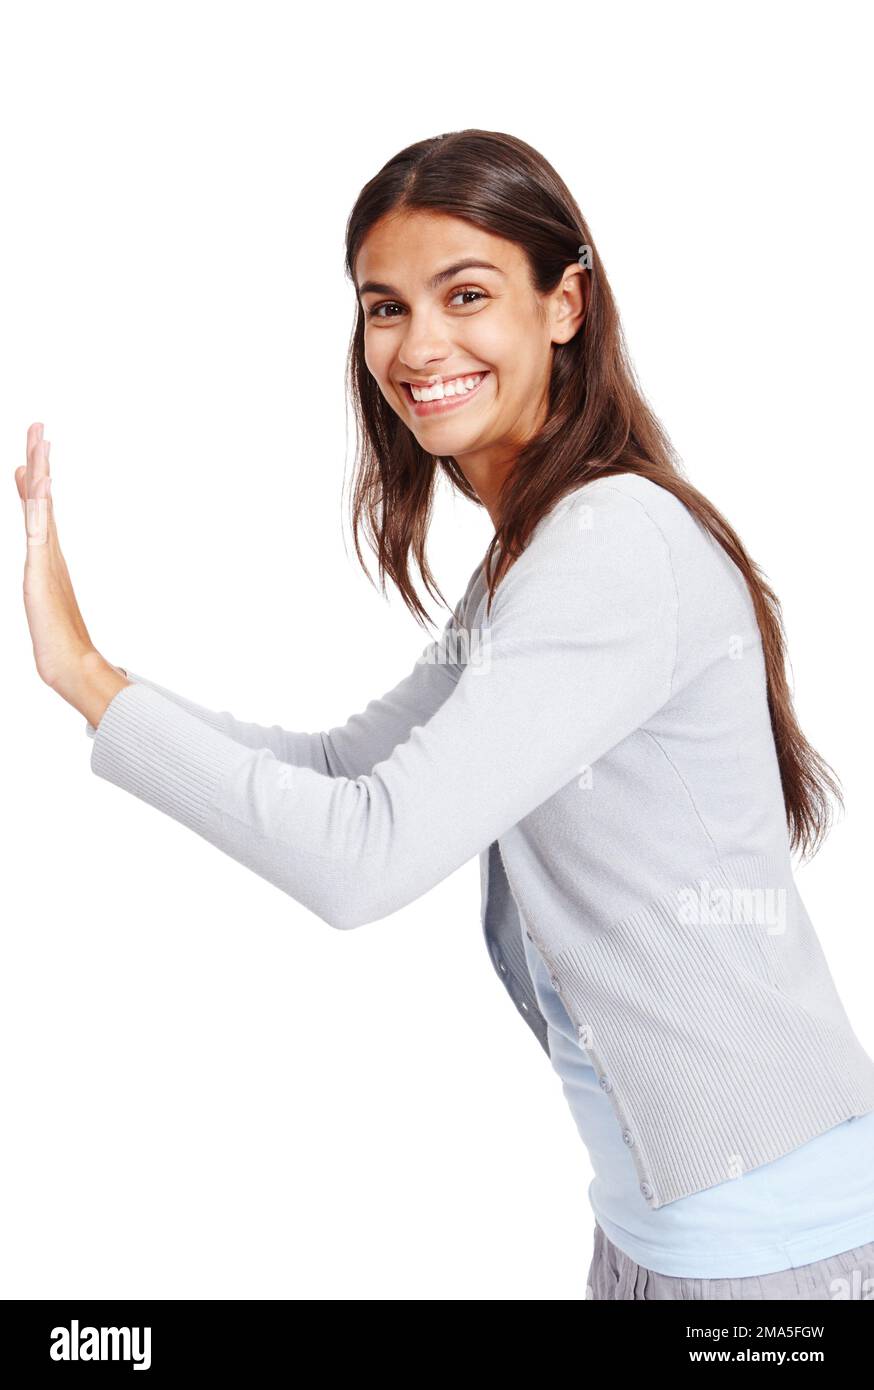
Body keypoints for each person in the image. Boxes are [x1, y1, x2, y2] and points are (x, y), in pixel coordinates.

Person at [17, 129, 874, 1301]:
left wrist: (84, 678)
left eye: (464, 295)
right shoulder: (534, 555)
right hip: (661, 1232)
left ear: (563, 303)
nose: (418, 347)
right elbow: (342, 766)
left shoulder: (613, 546)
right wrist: (94, 672)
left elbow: (362, 855)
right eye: (384, 307)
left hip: (767, 1252)